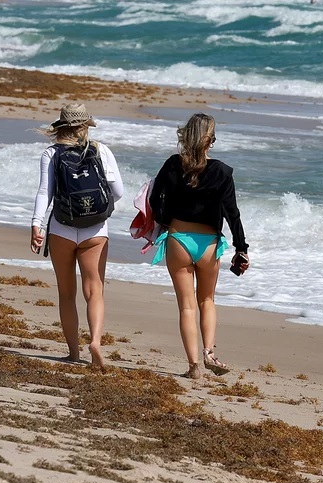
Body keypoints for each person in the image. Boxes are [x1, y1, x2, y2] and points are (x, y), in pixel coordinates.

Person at [148, 113, 249, 380]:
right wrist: (241, 248)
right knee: (207, 300)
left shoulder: (172, 165)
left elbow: (156, 199)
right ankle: (208, 352)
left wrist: (164, 220)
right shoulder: (222, 172)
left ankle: (194, 367)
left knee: (186, 306)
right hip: (209, 244)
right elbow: (232, 213)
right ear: (209, 142)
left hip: (179, 238)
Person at [29, 103, 125, 370]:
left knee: (66, 292)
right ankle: (95, 341)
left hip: (62, 228)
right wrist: (99, 206)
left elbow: (44, 192)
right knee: (94, 290)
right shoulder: (100, 150)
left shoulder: (51, 153)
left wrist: (37, 224)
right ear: (86, 126)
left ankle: (73, 353)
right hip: (96, 230)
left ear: (61, 127)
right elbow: (118, 191)